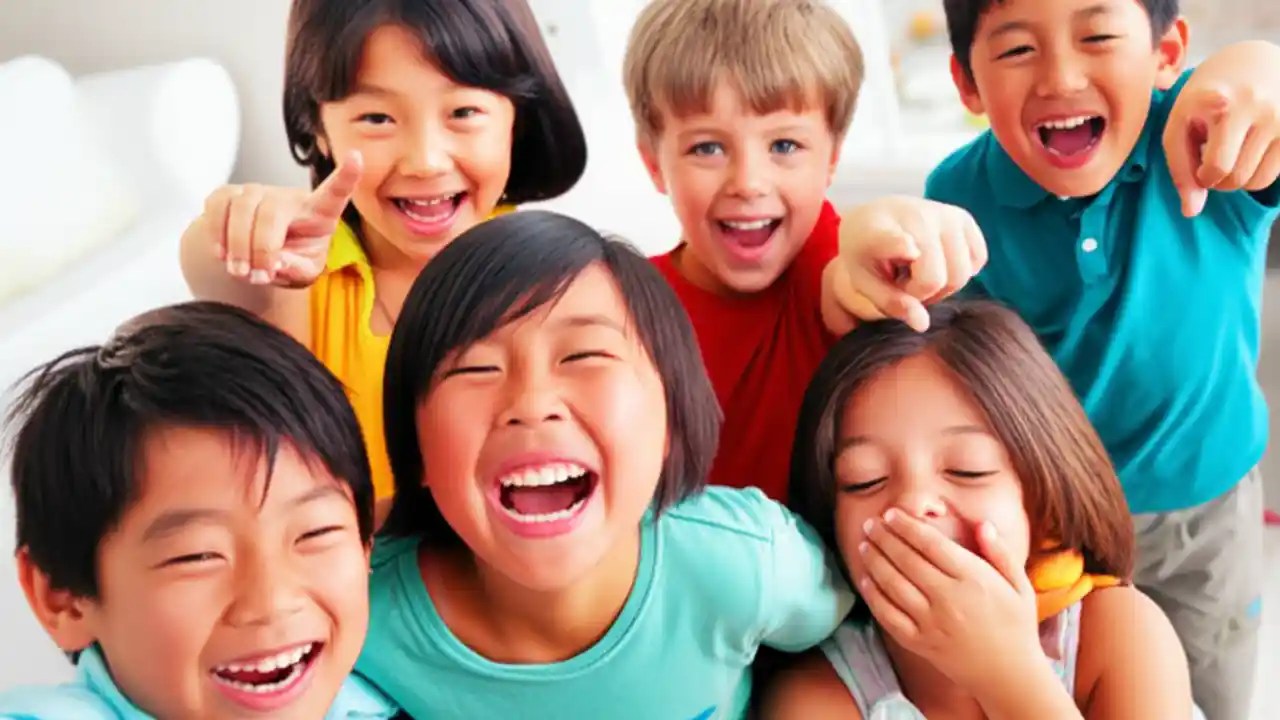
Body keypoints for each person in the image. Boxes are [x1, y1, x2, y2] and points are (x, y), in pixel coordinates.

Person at [828, 3, 1279, 715]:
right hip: (1054, 520)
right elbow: (946, 360)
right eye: (1015, 51)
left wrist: (1264, 64)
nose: (1061, 75)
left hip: (1206, 513)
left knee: (1213, 691)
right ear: (967, 85)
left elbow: (1267, 108)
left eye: (1097, 36)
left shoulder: (1206, 138)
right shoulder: (958, 195)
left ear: (1167, 54)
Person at [353, 210, 853, 719]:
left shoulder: (750, 563)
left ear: (671, 418)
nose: (532, 402)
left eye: (584, 356)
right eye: (477, 368)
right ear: (416, 449)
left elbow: (862, 652)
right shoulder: (356, 612)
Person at [179, 0, 587, 507]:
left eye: (463, 112)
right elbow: (219, 271)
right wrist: (240, 225)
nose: (424, 161)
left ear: (517, 120)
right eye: (376, 118)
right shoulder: (306, 278)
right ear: (318, 130)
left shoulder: (560, 279)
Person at [622, 0, 988, 502]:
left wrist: (900, 230)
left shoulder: (831, 267)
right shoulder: (623, 306)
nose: (748, 182)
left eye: (785, 146)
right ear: (654, 164)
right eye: (707, 148)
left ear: (832, 158)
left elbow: (853, 275)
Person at [765, 300, 1193, 719]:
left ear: (1044, 502)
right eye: (865, 480)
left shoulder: (1122, 635)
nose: (913, 504)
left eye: (967, 469)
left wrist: (1006, 673)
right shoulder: (814, 697)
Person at [0, 302, 398, 719]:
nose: (272, 601)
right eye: (198, 556)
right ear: (63, 599)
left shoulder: (390, 699)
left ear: (366, 542)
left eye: (314, 533)